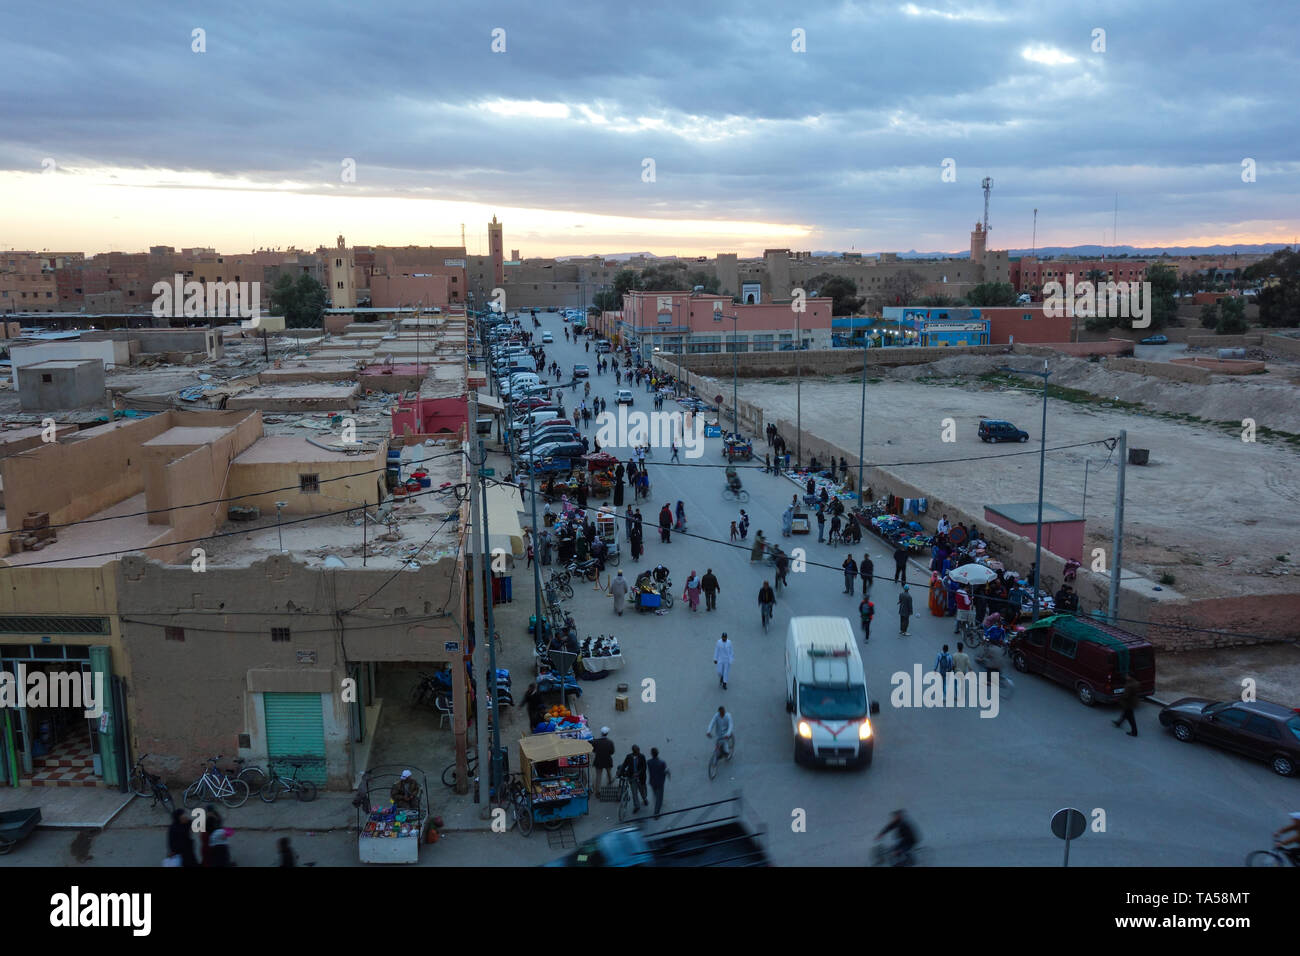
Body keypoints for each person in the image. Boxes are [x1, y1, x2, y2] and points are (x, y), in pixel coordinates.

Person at [617, 745, 649, 813]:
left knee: (642, 791)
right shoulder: (629, 757)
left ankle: (644, 798)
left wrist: (638, 773)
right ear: (634, 751)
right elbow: (624, 765)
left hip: (640, 778)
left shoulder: (642, 757)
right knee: (634, 793)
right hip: (632, 777)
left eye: (638, 750)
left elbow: (644, 767)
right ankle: (636, 806)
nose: (638, 752)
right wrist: (620, 772)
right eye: (637, 750)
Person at [647, 747, 670, 818]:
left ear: (651, 754)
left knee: (655, 794)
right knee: (659, 798)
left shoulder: (649, 762)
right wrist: (668, 773)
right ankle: (656, 813)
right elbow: (664, 771)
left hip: (652, 781)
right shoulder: (662, 763)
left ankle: (657, 802)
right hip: (660, 782)